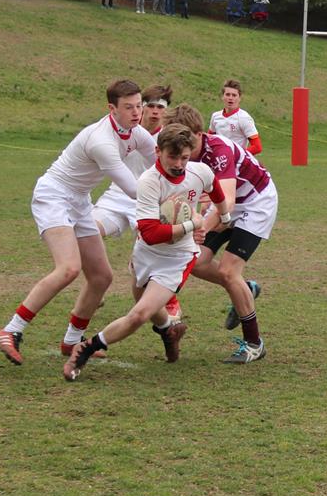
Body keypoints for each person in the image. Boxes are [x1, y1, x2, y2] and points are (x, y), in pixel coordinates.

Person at [0, 80, 147, 364]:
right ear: (111, 109)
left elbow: (158, 158)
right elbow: (135, 190)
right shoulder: (102, 140)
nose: (136, 113)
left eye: (139, 106)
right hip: (54, 195)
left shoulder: (136, 132)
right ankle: (11, 330)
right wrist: (172, 196)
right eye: (128, 107)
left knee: (101, 277)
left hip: (79, 200)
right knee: (69, 268)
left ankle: (72, 340)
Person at [63, 124, 232, 382]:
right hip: (147, 252)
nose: (178, 163)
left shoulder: (199, 172)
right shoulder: (149, 182)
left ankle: (86, 349)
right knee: (148, 307)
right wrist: (193, 224)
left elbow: (216, 189)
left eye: (184, 157)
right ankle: (169, 331)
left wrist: (225, 214)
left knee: (139, 314)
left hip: (178, 258)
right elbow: (152, 235)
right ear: (157, 151)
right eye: (172, 157)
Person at [165, 103, 277, 364]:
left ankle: (254, 344)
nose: (183, 148)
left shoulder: (219, 151)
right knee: (197, 262)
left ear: (200, 132)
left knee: (228, 271)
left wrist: (200, 228)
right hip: (225, 205)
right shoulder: (184, 153)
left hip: (255, 202)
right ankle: (245, 289)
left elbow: (227, 201)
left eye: (188, 140)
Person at [88, 85, 184, 341]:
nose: (153, 112)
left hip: (149, 199)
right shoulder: (126, 130)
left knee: (151, 255)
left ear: (166, 111)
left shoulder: (169, 139)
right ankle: (96, 286)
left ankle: (169, 303)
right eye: (149, 106)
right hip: (119, 195)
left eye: (159, 107)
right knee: (87, 230)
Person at [210, 80, 261, 153]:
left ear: (239, 98)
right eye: (227, 94)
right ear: (222, 97)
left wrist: (237, 156)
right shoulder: (215, 116)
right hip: (219, 161)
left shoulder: (244, 118)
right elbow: (209, 140)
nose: (230, 98)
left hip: (236, 163)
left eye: (234, 95)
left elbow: (257, 147)